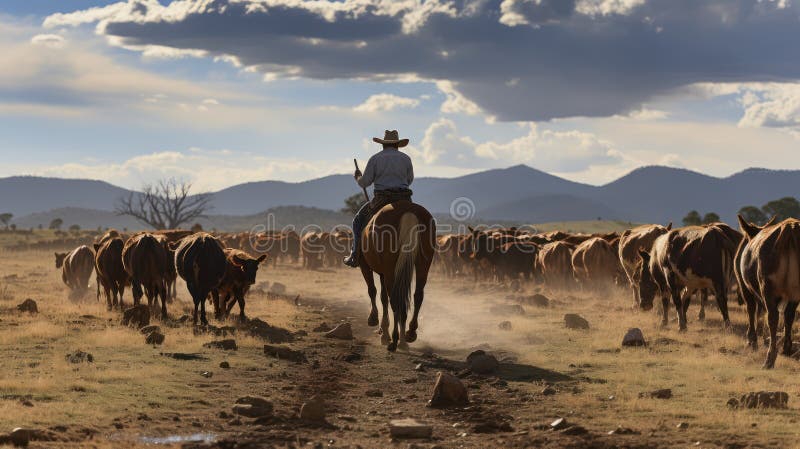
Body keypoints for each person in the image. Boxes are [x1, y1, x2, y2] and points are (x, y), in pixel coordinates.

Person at [343, 130, 414, 267]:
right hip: (404, 198)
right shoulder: (406, 158)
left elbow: (364, 183)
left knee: (357, 221)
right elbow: (409, 180)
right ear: (398, 144)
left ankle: (354, 255)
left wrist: (357, 176)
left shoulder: (375, 158)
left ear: (382, 144)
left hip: (382, 198)